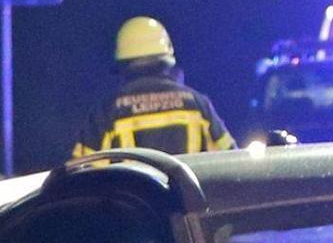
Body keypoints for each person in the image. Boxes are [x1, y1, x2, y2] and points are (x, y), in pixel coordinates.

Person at [72, 18, 234, 157]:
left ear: (122, 66)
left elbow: (82, 172)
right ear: (168, 59)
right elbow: (230, 160)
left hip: (130, 194)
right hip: (189, 194)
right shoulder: (197, 104)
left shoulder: (107, 111)